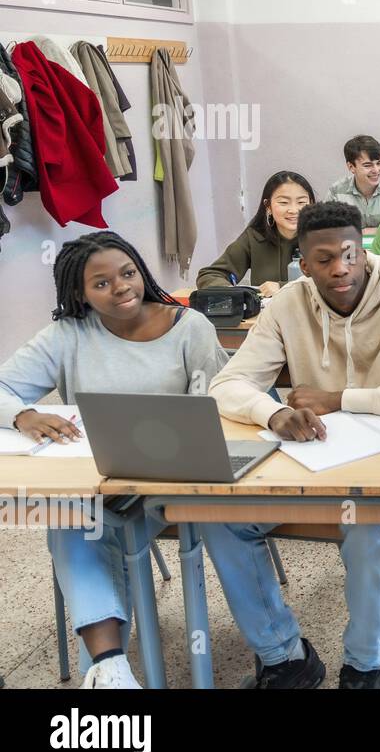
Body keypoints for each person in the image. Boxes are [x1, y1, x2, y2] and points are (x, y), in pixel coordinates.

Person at [202, 201, 380, 689]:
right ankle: (285, 656)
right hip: (313, 467)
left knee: (373, 524)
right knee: (221, 517)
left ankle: (365, 664)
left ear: (365, 254)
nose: (340, 268)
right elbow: (227, 384)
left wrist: (340, 398)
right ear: (302, 265)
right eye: (324, 259)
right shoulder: (289, 303)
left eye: (350, 254)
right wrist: (275, 411)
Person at [0, 232, 228, 689]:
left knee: (80, 523)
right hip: (100, 483)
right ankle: (111, 667)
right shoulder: (68, 334)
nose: (121, 287)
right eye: (100, 283)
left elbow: (223, 403)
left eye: (127, 273)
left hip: (178, 488)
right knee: (65, 516)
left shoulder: (190, 327)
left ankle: (103, 670)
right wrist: (23, 413)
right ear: (79, 293)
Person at [196, 171, 314, 296]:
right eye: (284, 202)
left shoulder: (322, 237)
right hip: (266, 314)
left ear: (311, 203)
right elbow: (209, 275)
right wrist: (230, 293)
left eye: (301, 202)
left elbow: (332, 281)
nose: (293, 210)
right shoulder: (255, 237)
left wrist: (282, 287)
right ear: (268, 206)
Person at [326, 135, 380, 231]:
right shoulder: (336, 192)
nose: (376, 170)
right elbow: (327, 231)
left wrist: (365, 232)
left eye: (379, 163)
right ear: (351, 167)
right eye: (368, 165)